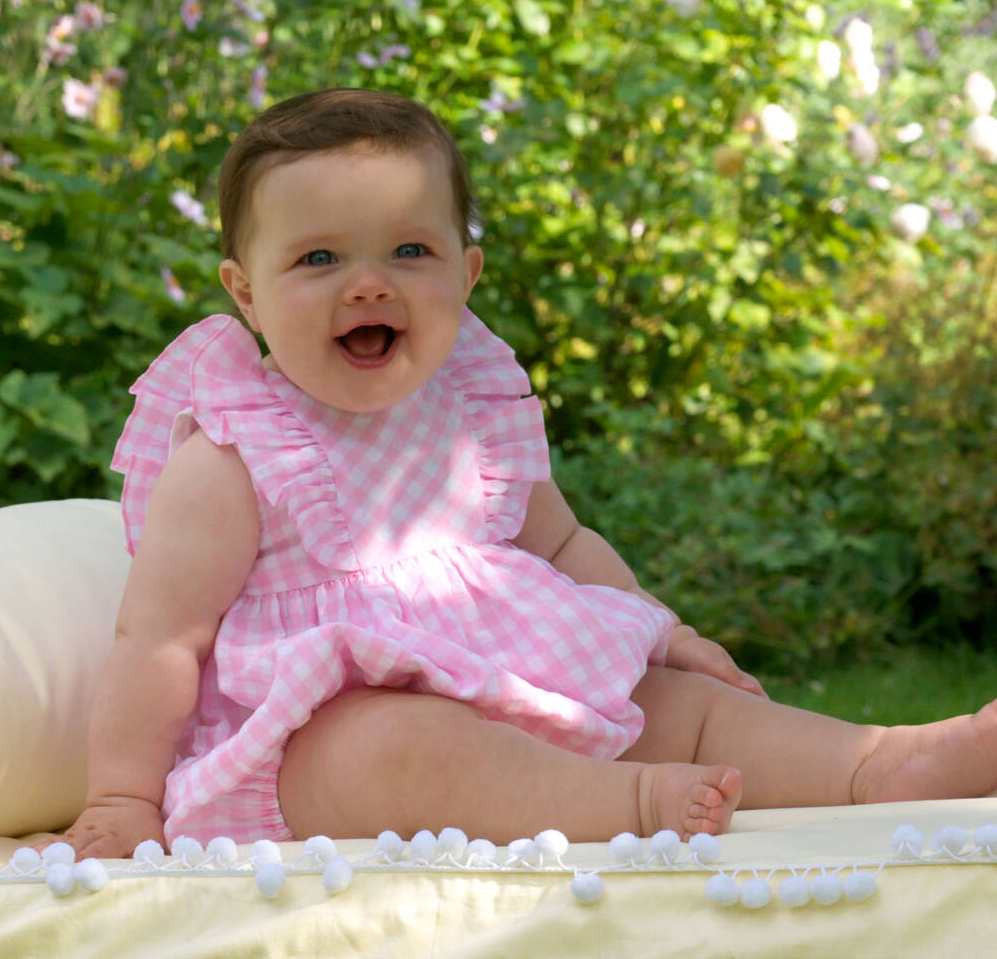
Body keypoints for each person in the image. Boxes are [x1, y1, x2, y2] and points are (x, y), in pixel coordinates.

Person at [61, 88, 997, 860]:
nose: (369, 284)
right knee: (402, 745)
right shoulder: (235, 451)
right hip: (310, 744)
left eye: (409, 252)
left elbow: (561, 541)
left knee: (675, 706)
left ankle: (882, 765)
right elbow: (159, 640)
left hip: (512, 685)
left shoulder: (471, 412)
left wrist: (664, 636)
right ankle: (629, 806)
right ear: (246, 293)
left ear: (466, 276)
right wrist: (119, 799)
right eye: (318, 259)